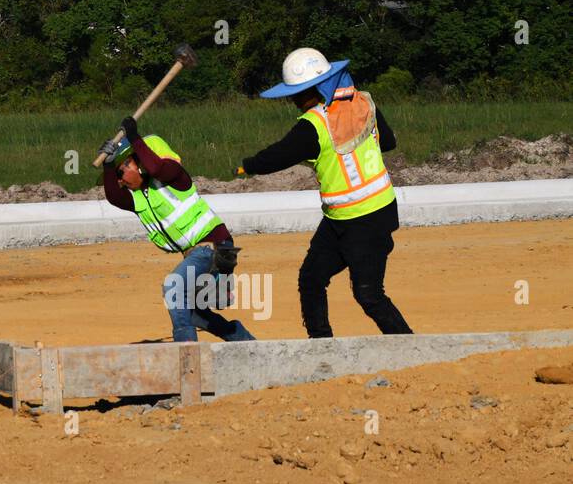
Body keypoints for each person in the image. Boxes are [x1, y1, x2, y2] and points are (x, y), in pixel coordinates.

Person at [237, 48, 411, 338]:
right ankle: (321, 344)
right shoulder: (363, 101)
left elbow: (277, 157)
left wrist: (246, 166)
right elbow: (389, 141)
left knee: (369, 294)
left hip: (364, 219)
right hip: (348, 216)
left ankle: (408, 345)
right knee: (312, 277)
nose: (293, 101)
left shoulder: (314, 125)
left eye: (295, 95)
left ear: (308, 92)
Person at [100, 117, 254, 343]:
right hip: (199, 254)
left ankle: (186, 355)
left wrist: (134, 138)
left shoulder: (174, 176)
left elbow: (157, 167)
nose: (120, 181)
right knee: (194, 314)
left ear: (138, 164)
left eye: (121, 173)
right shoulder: (140, 198)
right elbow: (114, 197)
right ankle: (244, 342)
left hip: (214, 249)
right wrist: (108, 166)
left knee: (174, 287)